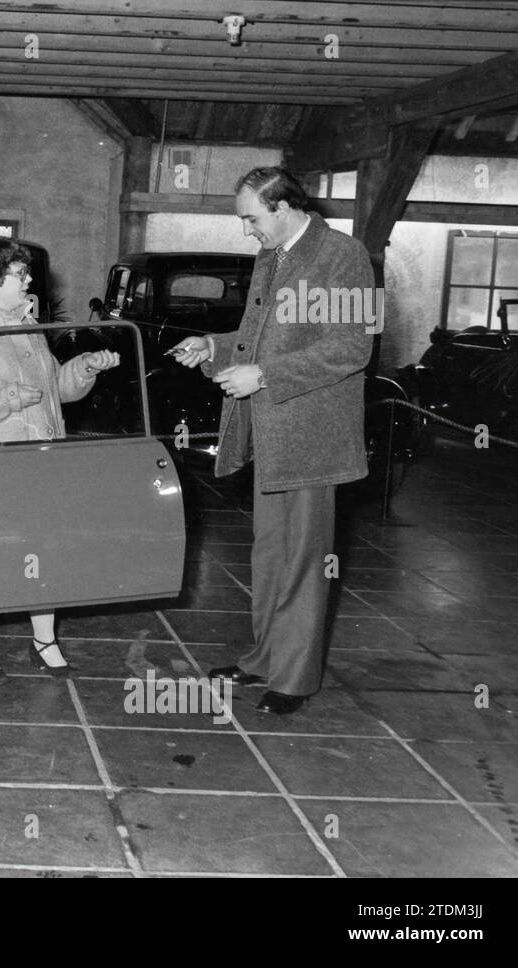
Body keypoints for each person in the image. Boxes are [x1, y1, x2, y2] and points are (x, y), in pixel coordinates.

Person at [172, 166, 375, 714]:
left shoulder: (343, 256)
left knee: (304, 559)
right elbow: (259, 334)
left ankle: (294, 677)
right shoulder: (273, 254)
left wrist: (263, 376)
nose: (246, 231)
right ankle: (264, 657)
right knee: (270, 554)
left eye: (251, 218)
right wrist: (211, 346)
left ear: (283, 207)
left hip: (312, 438)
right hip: (270, 432)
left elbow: (351, 350)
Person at [0, 238, 120, 680]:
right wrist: (9, 398)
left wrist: (85, 368)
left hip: (43, 460)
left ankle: (44, 640)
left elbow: (55, 386)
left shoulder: (27, 324)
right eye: (22, 274)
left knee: (45, 550)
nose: (30, 281)